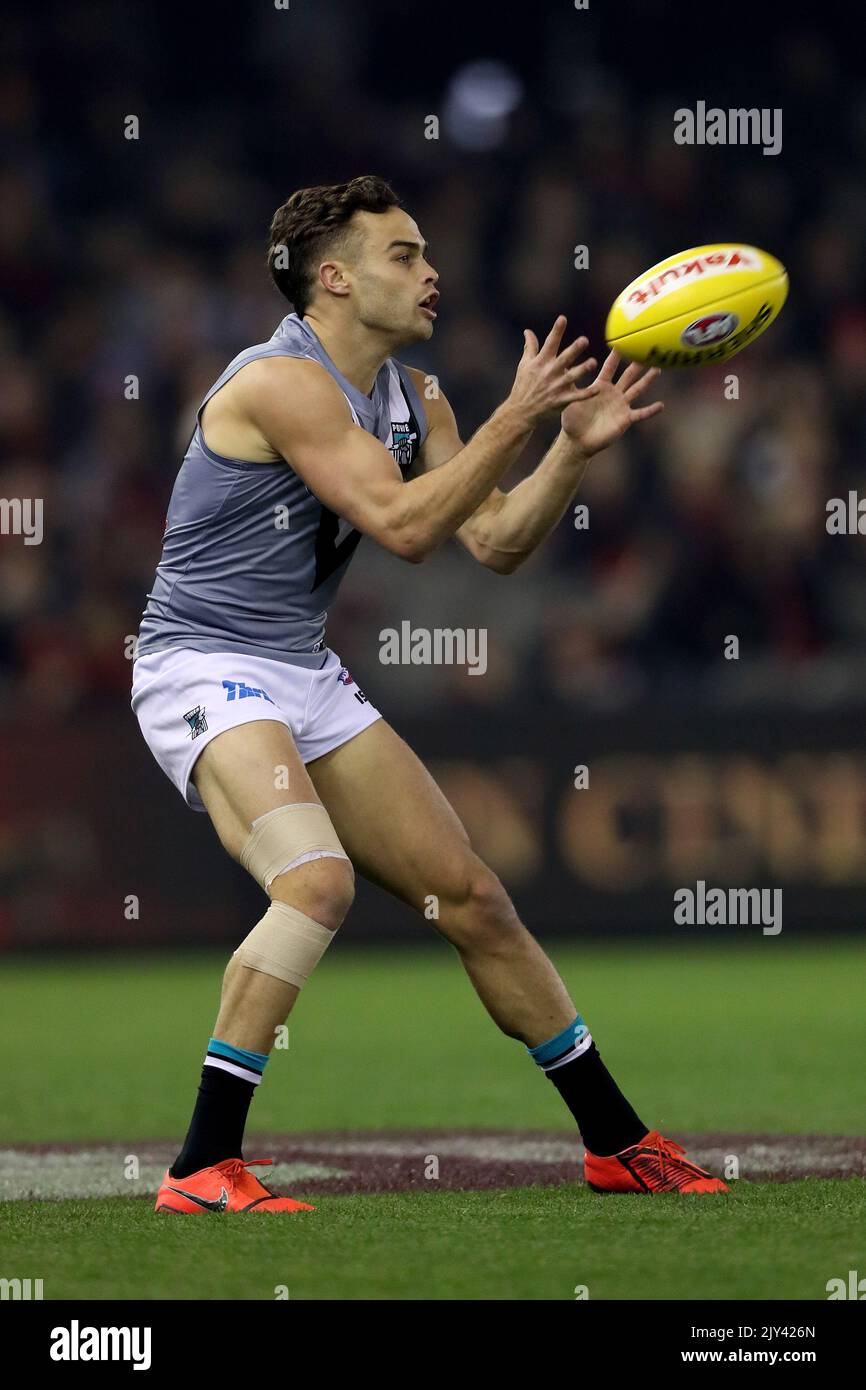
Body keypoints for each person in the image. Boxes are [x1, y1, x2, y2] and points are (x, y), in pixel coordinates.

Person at [132, 175, 727, 1212]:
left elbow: (491, 539)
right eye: (402, 253)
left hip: (298, 669)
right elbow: (402, 529)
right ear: (333, 277)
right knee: (314, 882)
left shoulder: (419, 399)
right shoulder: (279, 382)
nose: (429, 270)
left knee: (473, 896)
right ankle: (198, 1164)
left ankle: (615, 1142)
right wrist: (516, 415)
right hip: (199, 661)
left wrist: (568, 452)